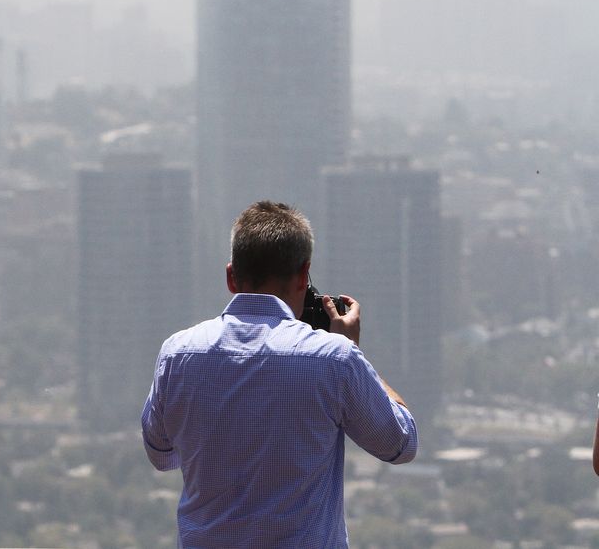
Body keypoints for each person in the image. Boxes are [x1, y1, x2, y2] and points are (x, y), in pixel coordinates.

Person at [141, 201, 417, 548]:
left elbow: (161, 455)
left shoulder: (178, 353)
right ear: (303, 275)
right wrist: (354, 355)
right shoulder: (334, 359)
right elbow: (401, 444)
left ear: (231, 276)